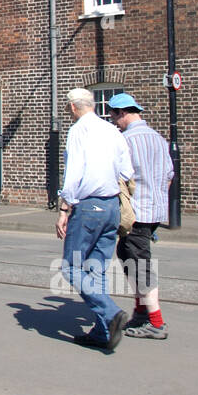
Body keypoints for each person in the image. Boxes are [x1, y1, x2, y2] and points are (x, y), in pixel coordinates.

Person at [56, 88, 134, 352]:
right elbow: (127, 169)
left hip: (88, 206)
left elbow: (74, 170)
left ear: (73, 107)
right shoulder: (111, 130)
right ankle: (102, 332)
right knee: (96, 269)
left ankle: (111, 313)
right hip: (112, 204)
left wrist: (64, 208)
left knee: (71, 267)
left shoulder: (79, 130)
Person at [108, 92, 175, 340]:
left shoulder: (125, 141)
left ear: (122, 113)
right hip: (155, 210)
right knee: (126, 254)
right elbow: (169, 175)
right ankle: (140, 312)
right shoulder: (158, 139)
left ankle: (155, 322)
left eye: (115, 117)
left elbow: (118, 175)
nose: (114, 122)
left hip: (136, 212)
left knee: (139, 263)